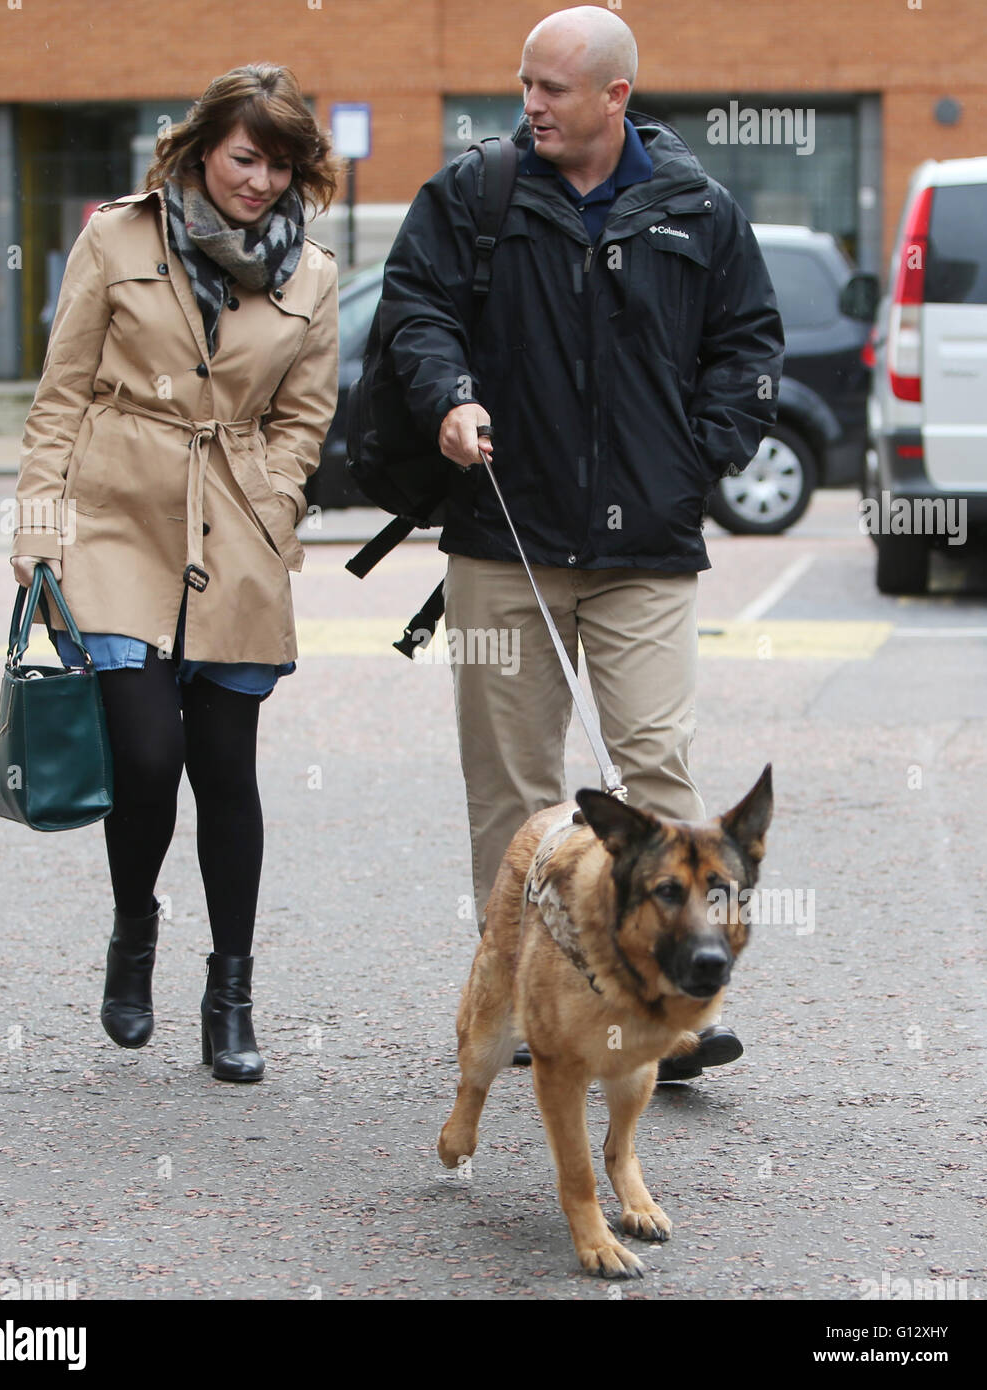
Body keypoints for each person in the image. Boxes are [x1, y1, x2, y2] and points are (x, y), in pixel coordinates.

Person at [380, 6, 783, 1078]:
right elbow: (412, 312)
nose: (530, 105)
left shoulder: (698, 210)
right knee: (512, 790)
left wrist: (691, 461)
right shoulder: (476, 196)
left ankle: (658, 995)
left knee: (652, 771)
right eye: (523, 84)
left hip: (646, 547)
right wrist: (446, 398)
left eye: (552, 88)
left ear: (615, 97)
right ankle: (522, 996)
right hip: (500, 533)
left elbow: (747, 346)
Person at [10, 63, 340, 1082]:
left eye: (281, 167)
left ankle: (230, 994)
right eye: (247, 157)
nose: (260, 182)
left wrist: (277, 504)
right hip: (115, 519)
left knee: (225, 769)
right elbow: (61, 390)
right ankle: (133, 930)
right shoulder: (116, 236)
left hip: (237, 530)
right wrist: (37, 525)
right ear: (201, 148)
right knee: (146, 754)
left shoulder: (313, 275)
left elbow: (304, 419)